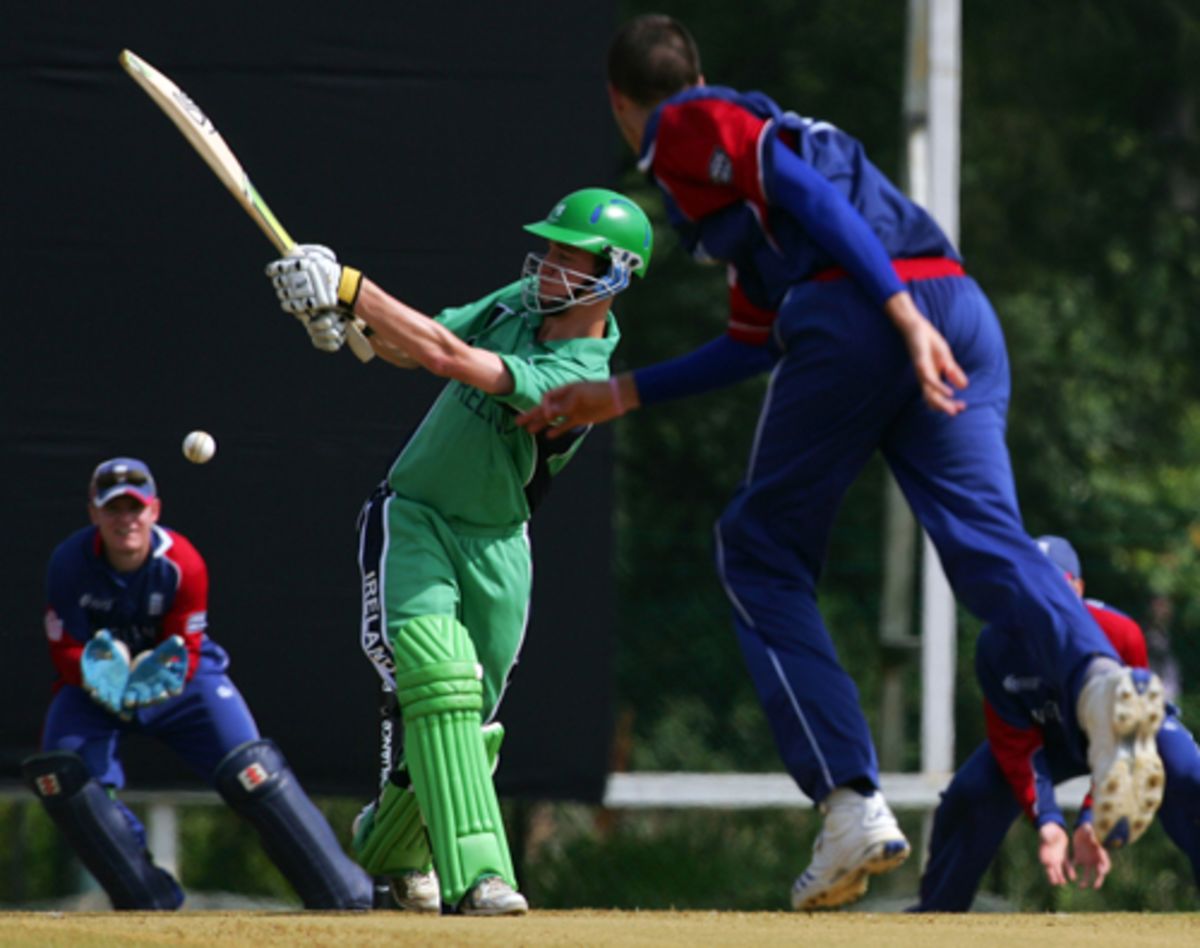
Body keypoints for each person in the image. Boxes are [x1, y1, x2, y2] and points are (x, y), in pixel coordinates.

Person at [515, 13, 1165, 909]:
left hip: (870, 311)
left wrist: (894, 312)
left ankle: (849, 801)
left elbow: (807, 198)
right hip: (959, 307)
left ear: (620, 103)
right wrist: (622, 392)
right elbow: (752, 337)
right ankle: (1099, 691)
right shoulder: (748, 217)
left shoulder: (686, 125)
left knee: (757, 551)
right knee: (988, 548)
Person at [264, 187, 653, 915]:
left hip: (499, 546)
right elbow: (417, 345)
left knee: (464, 723)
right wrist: (341, 321)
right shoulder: (518, 303)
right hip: (414, 519)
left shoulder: (586, 375)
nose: (550, 266)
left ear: (617, 274)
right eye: (552, 249)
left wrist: (352, 287)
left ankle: (388, 845)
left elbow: (450, 359)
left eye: (571, 257)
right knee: (441, 679)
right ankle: (480, 879)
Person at [24, 457, 373, 911]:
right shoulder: (69, 562)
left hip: (182, 683)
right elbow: (66, 648)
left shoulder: (182, 563)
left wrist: (156, 676)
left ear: (154, 511)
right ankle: (146, 901)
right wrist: (94, 675)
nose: (124, 520)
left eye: (135, 508)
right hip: (97, 691)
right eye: (113, 509)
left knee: (254, 773)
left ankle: (346, 895)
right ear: (94, 513)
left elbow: (184, 649)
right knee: (61, 776)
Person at [914, 536, 1196, 911]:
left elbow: (1129, 742)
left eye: (1055, 586)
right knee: (971, 792)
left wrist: (1093, 817)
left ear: (1078, 589)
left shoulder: (1119, 632)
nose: (1042, 600)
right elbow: (1015, 745)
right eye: (1031, 586)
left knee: (1190, 773)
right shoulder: (996, 644)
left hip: (1122, 734)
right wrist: (1048, 822)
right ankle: (936, 913)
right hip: (1045, 738)